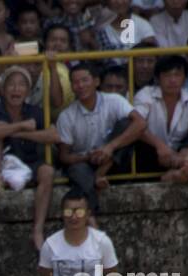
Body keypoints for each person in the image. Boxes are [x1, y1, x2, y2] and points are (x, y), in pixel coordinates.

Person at [0, 64, 59, 250]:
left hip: (30, 163)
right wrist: (23, 126)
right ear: (3, 89)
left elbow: (53, 136)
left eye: (21, 85)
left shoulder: (34, 111)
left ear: (28, 90)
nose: (16, 89)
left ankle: (38, 230)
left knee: (47, 171)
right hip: (2, 165)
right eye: (11, 84)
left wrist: (18, 133)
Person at [55, 62, 145, 212]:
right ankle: (92, 215)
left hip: (114, 161)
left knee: (128, 125)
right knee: (78, 171)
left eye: (85, 80)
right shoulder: (66, 116)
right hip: (85, 162)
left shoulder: (114, 100)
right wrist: (87, 157)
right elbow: (64, 156)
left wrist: (109, 148)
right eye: (76, 82)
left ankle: (100, 173)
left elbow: (141, 123)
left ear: (96, 82)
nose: (80, 85)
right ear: (71, 87)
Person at [133, 54, 188, 184]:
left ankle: (181, 172)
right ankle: (181, 174)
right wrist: (160, 146)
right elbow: (136, 123)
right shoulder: (146, 94)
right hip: (152, 152)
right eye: (167, 75)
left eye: (177, 75)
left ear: (185, 78)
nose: (173, 80)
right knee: (138, 135)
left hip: (181, 154)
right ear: (157, 78)